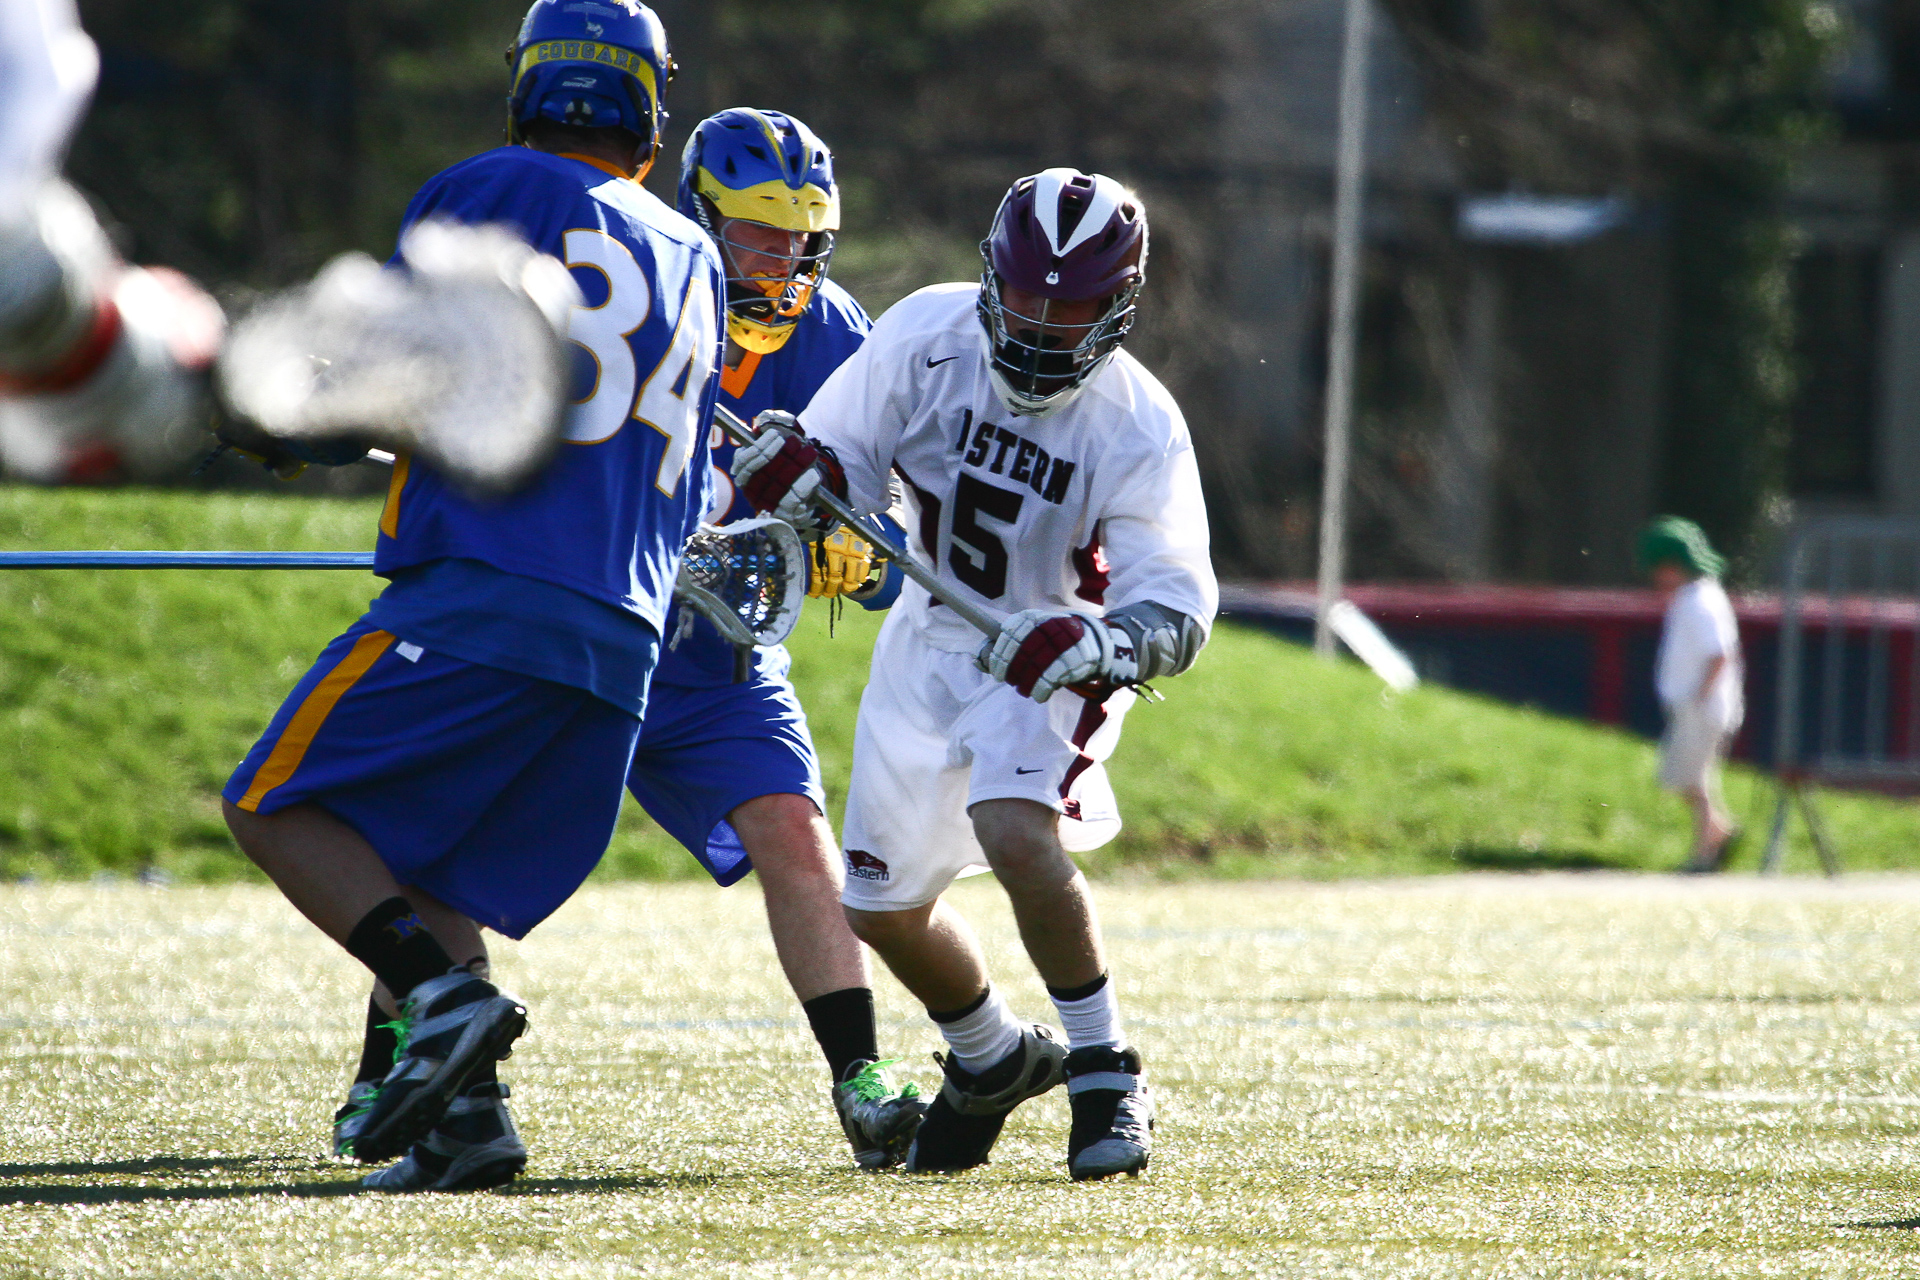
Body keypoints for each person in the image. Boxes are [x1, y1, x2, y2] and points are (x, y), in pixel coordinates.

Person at [329, 106, 927, 1180]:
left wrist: (864, 552)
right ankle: (394, 1067)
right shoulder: (643, 284)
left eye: (799, 234)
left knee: (793, 828)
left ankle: (863, 1079)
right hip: (598, 617)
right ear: (700, 215)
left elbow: (896, 517)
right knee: (451, 846)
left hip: (718, 654)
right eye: (754, 230)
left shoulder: (837, 333)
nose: (779, 256)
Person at [222, 0, 722, 1193]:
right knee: (436, 869)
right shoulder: (693, 250)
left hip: (492, 589)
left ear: (530, 87)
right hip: (625, 633)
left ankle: (442, 1002)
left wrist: (286, 414)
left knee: (271, 803)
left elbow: (407, 375)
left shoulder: (488, 185)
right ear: (647, 107)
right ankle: (471, 1123)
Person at [732, 168, 1217, 1180]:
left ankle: (1104, 1067)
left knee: (1013, 826)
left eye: (1071, 303)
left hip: (1055, 647)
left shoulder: (1137, 421)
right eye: (1028, 295)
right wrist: (801, 480)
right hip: (930, 631)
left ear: (1118, 303)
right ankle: (993, 1053)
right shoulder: (924, 333)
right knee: (877, 906)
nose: (1042, 325)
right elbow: (842, 469)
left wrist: (1100, 647)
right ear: (991, 276)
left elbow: (1176, 606)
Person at [1639, 516, 1744, 874]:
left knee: (1690, 778)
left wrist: (1700, 697)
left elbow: (1719, 652)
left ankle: (1710, 843)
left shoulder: (1699, 601)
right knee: (1689, 778)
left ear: (1673, 566)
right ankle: (1716, 833)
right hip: (1697, 705)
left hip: (1702, 707)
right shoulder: (1693, 597)